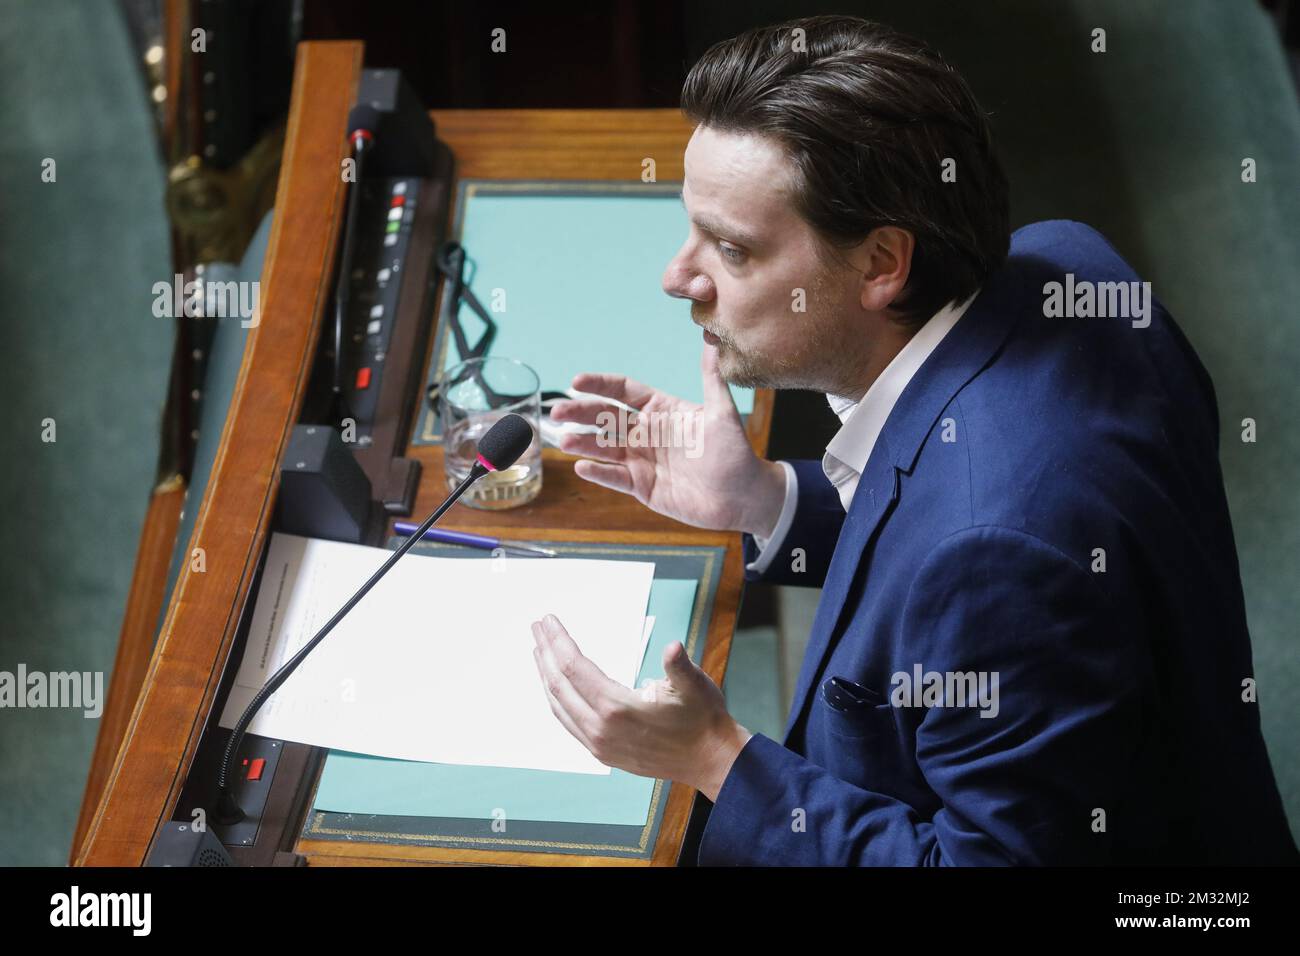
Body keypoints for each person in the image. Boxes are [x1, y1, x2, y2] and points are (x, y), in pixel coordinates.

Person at [529, 14, 1297, 865]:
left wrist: (712, 756)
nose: (678, 278)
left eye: (733, 250)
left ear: (881, 265)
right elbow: (952, 499)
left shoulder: (999, 559)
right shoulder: (1067, 264)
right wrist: (767, 500)